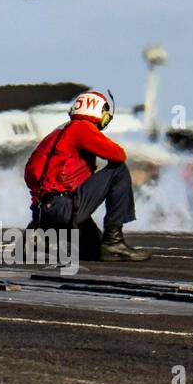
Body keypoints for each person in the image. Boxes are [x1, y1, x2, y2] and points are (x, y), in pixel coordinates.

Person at [23, 90, 151, 262]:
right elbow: (118, 154)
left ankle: (43, 237)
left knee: (96, 252)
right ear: (96, 110)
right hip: (64, 208)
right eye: (105, 112)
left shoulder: (56, 133)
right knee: (118, 170)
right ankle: (114, 240)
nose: (107, 117)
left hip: (42, 212)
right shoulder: (82, 128)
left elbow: (31, 174)